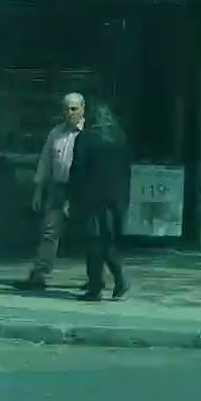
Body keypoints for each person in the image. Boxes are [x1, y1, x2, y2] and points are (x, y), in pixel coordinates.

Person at [68, 103, 133, 301]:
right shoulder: (119, 138)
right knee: (106, 241)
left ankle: (98, 286)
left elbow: (77, 171)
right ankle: (115, 280)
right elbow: (126, 171)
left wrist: (71, 196)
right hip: (115, 199)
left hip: (92, 198)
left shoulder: (86, 139)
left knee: (95, 242)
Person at [22, 92, 85, 290]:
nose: (70, 112)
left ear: (83, 109)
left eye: (74, 108)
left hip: (81, 190)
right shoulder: (55, 133)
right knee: (49, 231)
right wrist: (38, 191)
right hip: (57, 188)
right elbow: (45, 163)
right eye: (67, 108)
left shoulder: (89, 134)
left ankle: (96, 277)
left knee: (90, 233)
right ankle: (40, 272)